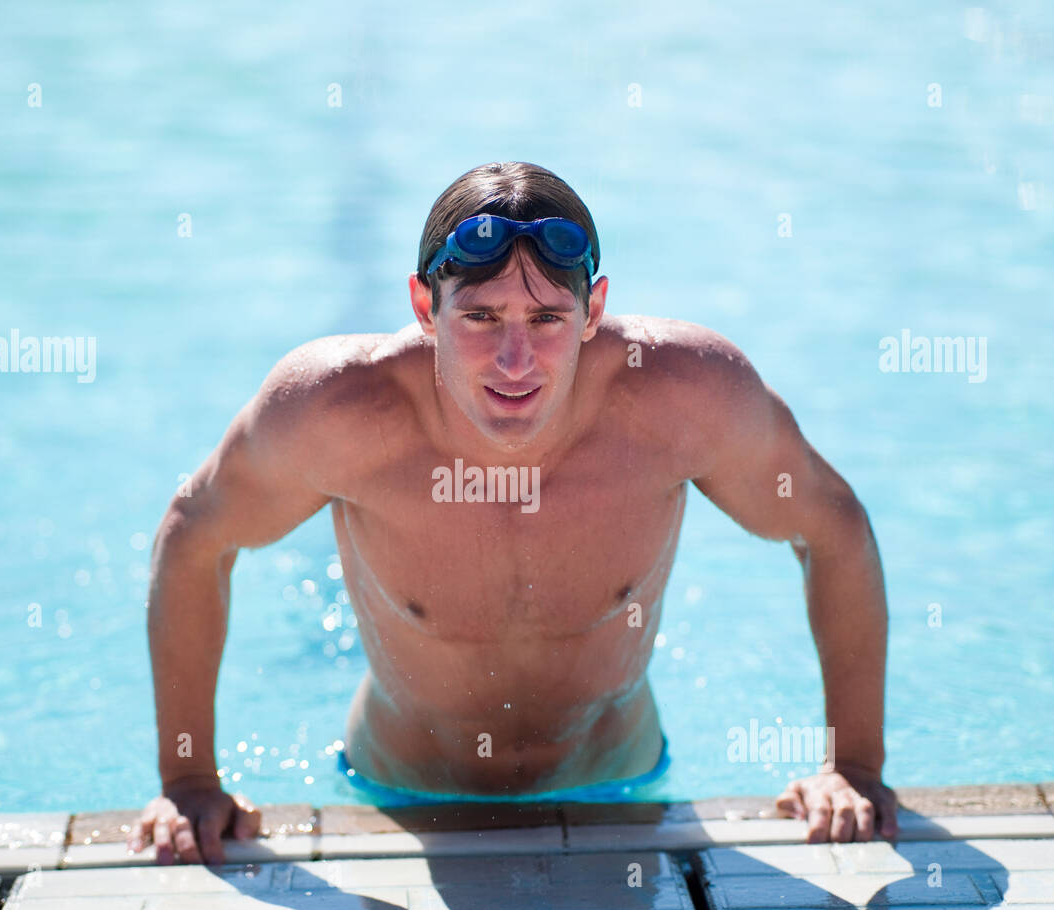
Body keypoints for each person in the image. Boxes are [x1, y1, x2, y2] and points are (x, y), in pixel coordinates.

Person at [127, 161, 897, 864]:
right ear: (426, 306)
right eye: (482, 319)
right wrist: (189, 777)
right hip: (401, 799)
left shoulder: (683, 397)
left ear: (593, 308)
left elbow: (831, 528)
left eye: (546, 320)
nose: (515, 363)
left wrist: (853, 765)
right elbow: (195, 533)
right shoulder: (337, 411)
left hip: (617, 790)